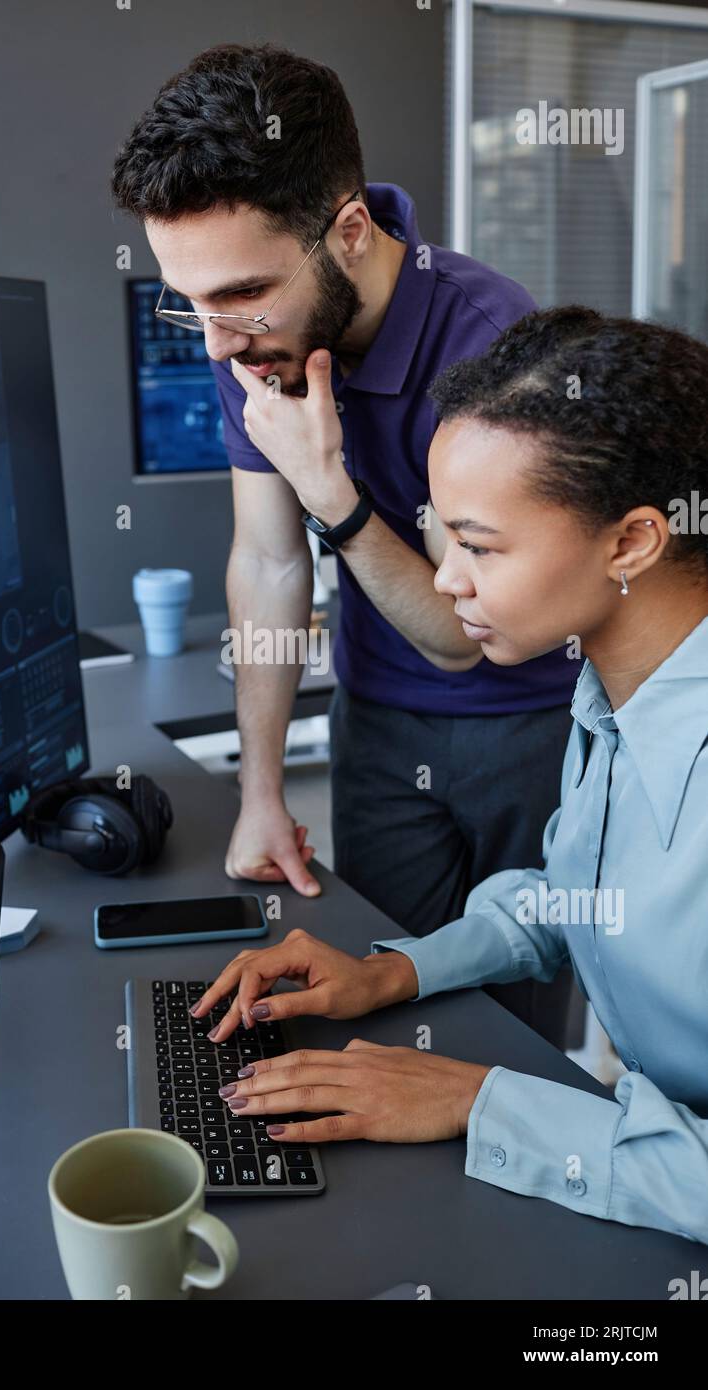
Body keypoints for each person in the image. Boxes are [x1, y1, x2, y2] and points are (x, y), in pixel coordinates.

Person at [185, 306, 708, 1243]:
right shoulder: (615, 685)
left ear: (631, 543)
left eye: (478, 545)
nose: (447, 580)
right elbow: (574, 895)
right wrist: (392, 974)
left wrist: (482, 1101)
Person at [111, 42, 578, 1046]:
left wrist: (330, 488)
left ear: (349, 231)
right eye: (186, 301)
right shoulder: (247, 348)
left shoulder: (488, 335)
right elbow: (268, 562)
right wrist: (261, 791)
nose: (213, 343)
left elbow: (462, 635)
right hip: (379, 721)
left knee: (512, 1039)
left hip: (528, 729)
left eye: (239, 294)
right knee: (369, 1014)